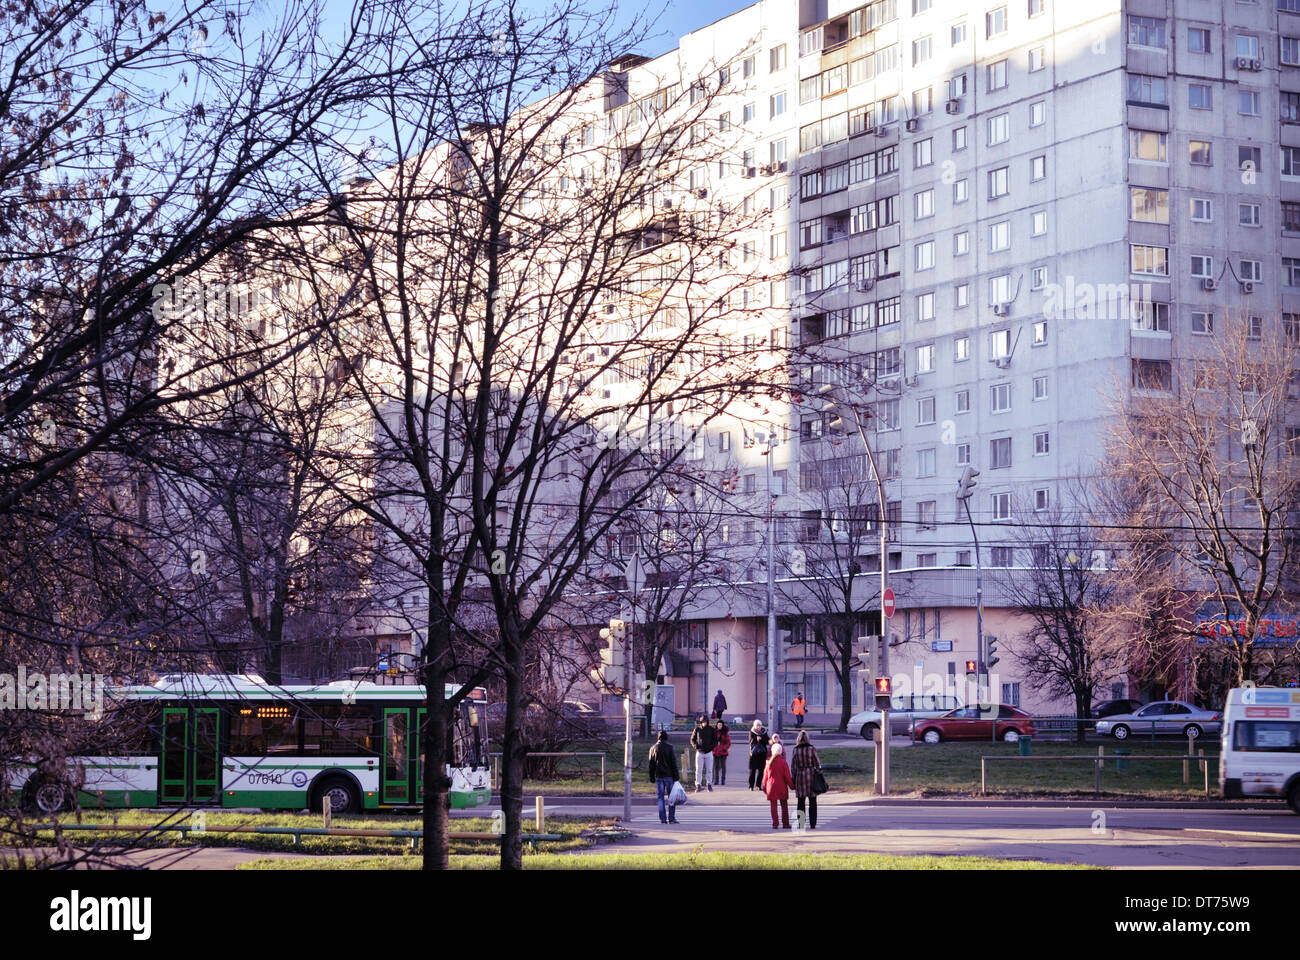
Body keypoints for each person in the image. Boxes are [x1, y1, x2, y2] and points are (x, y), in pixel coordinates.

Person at [790, 729, 823, 829]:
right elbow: (817, 763)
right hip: (811, 776)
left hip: (800, 776)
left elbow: (793, 766)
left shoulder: (795, 750)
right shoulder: (811, 749)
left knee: (801, 802)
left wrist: (794, 778)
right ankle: (813, 824)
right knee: (813, 801)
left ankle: (801, 823)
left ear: (798, 739)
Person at [647, 730, 681, 824]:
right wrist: (676, 776)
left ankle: (662, 819)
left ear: (658, 738)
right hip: (669, 776)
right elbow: (673, 763)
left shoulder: (653, 748)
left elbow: (651, 764)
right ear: (666, 738)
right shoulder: (670, 748)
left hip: (658, 776)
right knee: (671, 798)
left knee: (660, 798)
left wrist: (651, 777)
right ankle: (671, 818)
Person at [762, 742, 795, 829]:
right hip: (781, 786)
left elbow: (765, 776)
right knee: (784, 805)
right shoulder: (783, 763)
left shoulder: (768, 763)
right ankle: (785, 823)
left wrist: (764, 787)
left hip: (771, 787)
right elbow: (787, 777)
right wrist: (792, 786)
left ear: (772, 751)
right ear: (781, 752)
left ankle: (775, 824)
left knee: (773, 806)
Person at [689, 714, 717, 791]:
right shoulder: (697, 729)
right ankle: (698, 784)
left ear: (708, 722)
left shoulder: (711, 729)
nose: (705, 723)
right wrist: (696, 747)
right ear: (701, 722)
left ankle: (709, 784)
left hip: (709, 753)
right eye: (703, 722)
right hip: (700, 753)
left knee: (709, 769)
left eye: (706, 722)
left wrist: (711, 747)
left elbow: (715, 740)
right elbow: (692, 739)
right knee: (698, 769)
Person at [747, 719, 770, 790]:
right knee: (752, 771)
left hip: (762, 754)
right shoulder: (752, 732)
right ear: (754, 725)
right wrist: (756, 739)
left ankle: (758, 786)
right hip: (754, 754)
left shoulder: (764, 732)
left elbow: (767, 741)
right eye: (757, 725)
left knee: (761, 771)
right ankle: (751, 786)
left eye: (759, 725)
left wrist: (761, 739)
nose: (758, 727)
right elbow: (750, 741)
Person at [712, 719, 731, 786]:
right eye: (718, 725)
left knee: (723, 766)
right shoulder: (714, 732)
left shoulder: (725, 733)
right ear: (716, 725)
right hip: (715, 751)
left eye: (720, 725)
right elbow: (712, 741)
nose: (719, 726)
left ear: (722, 725)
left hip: (723, 752)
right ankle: (716, 779)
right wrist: (713, 748)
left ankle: (723, 779)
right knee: (716, 766)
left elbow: (728, 743)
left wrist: (724, 748)